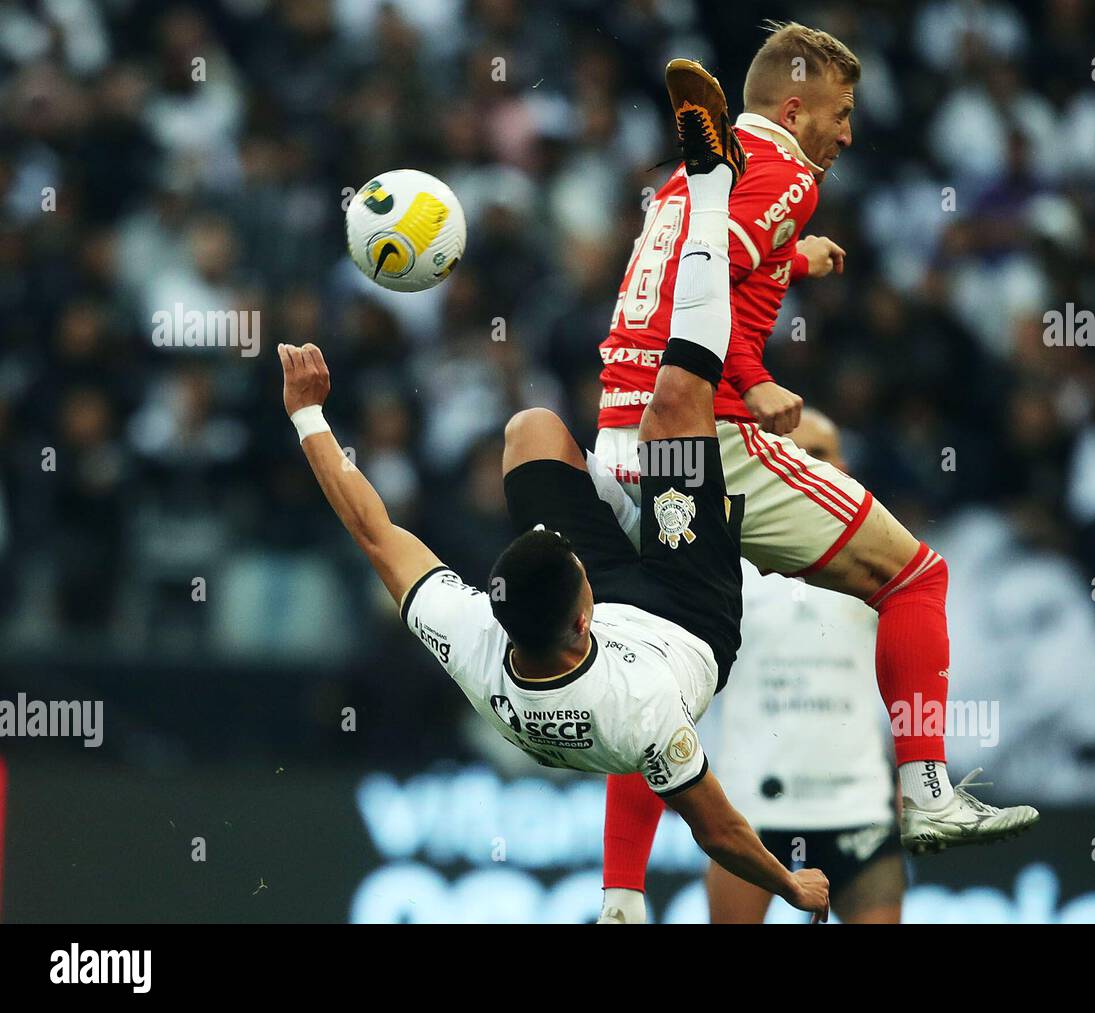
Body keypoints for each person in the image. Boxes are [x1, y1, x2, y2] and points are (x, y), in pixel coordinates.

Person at [279, 60, 829, 921]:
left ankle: (617, 901)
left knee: (531, 430)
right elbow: (721, 832)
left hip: (598, 640)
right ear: (582, 607)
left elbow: (376, 532)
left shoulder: (473, 643)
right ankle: (713, 190)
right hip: (691, 612)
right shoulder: (646, 712)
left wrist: (309, 418)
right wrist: (793, 885)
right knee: (679, 399)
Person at [595, 24, 1039, 924]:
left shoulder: (687, 179)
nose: (847, 136)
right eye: (840, 115)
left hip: (617, 439)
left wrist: (797, 257)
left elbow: (709, 254)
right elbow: (713, 272)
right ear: (793, 109)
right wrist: (752, 379)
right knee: (917, 575)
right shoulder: (790, 175)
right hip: (702, 439)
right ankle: (924, 790)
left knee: (656, 663)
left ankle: (622, 895)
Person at [707, 409, 905, 924]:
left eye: (835, 454)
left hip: (857, 803)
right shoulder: (726, 559)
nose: (831, 466)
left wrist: (918, 767)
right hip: (752, 806)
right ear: (776, 463)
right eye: (814, 455)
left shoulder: (881, 557)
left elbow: (915, 677)